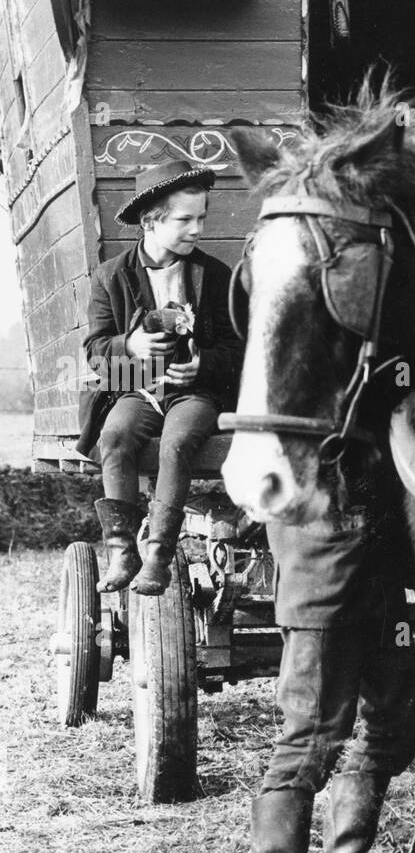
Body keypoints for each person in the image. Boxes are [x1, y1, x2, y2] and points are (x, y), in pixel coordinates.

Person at [251, 454, 415, 853]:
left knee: (397, 725)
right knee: (312, 735)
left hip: (380, 586)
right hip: (320, 584)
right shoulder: (297, 416)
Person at [77, 163, 243, 595]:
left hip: (195, 393)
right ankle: (121, 550)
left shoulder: (215, 275)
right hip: (138, 386)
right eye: (184, 219)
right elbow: (96, 352)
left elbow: (236, 348)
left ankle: (158, 555)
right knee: (115, 436)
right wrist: (129, 348)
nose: (197, 229)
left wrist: (203, 364)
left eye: (201, 218)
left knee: (177, 443)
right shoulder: (112, 275)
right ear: (151, 221)